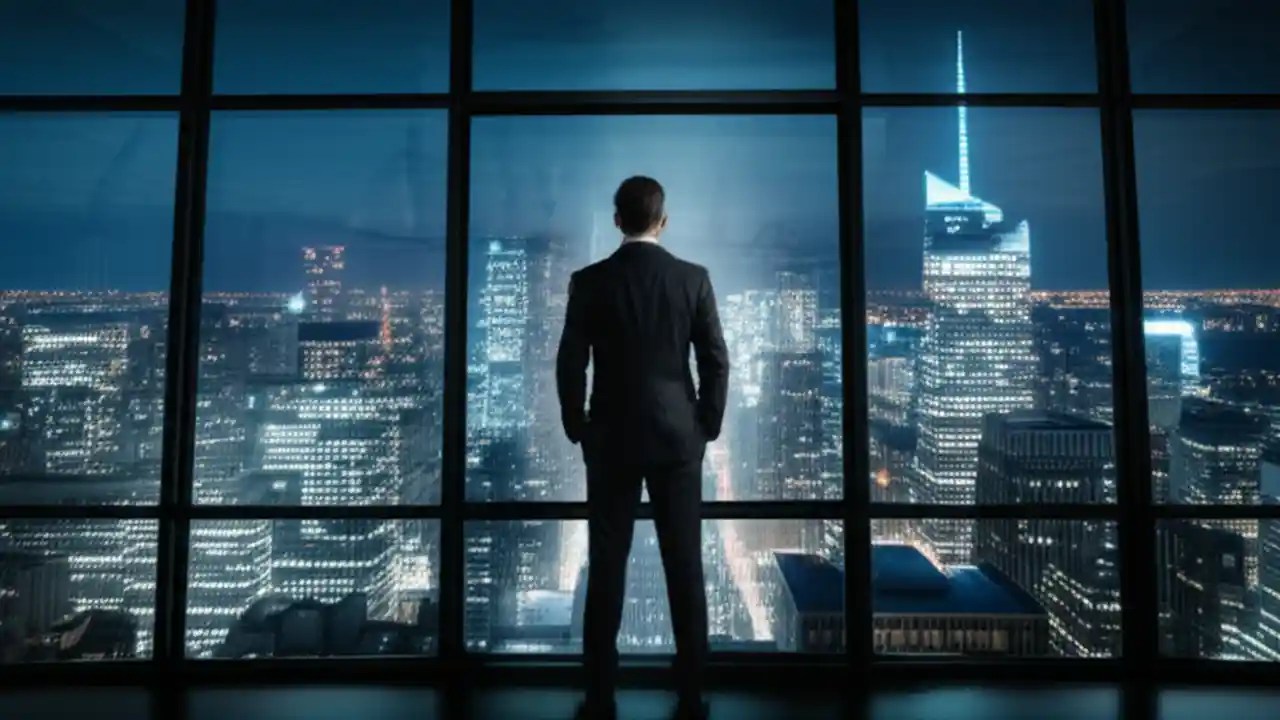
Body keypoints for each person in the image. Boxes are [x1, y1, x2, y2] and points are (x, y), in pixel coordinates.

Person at [557, 176, 729, 720]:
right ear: (664, 220)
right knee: (685, 564)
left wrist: (577, 425)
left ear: (617, 221)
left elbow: (570, 362)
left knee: (607, 563)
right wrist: (706, 427)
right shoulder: (693, 279)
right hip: (678, 440)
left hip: (609, 439)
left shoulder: (589, 282)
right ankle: (692, 685)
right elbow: (716, 361)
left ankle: (600, 687)